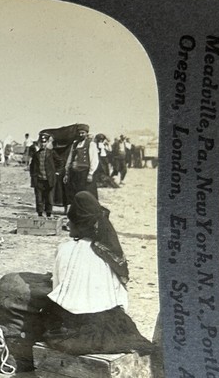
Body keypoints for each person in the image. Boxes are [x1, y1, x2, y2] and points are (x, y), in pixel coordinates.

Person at [43, 191, 152, 355]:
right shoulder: (107, 252)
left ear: (78, 224)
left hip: (72, 321)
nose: (68, 225)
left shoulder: (64, 249)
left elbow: (57, 288)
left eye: (71, 221)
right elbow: (120, 293)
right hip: (104, 319)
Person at [63, 123, 99, 210]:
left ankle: (85, 210)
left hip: (84, 173)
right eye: (79, 133)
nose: (81, 135)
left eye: (83, 133)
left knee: (86, 193)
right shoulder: (74, 144)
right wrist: (67, 172)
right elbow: (70, 158)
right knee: (74, 192)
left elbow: (94, 160)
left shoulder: (91, 144)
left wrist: (90, 173)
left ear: (86, 133)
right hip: (74, 172)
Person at [28, 131, 58, 218]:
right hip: (39, 180)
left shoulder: (51, 153)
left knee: (49, 198)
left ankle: (48, 213)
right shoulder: (36, 154)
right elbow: (32, 166)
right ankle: (40, 214)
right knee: (39, 198)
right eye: (41, 142)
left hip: (49, 180)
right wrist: (33, 177)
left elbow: (60, 162)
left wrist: (56, 172)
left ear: (48, 142)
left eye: (45, 142)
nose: (43, 144)